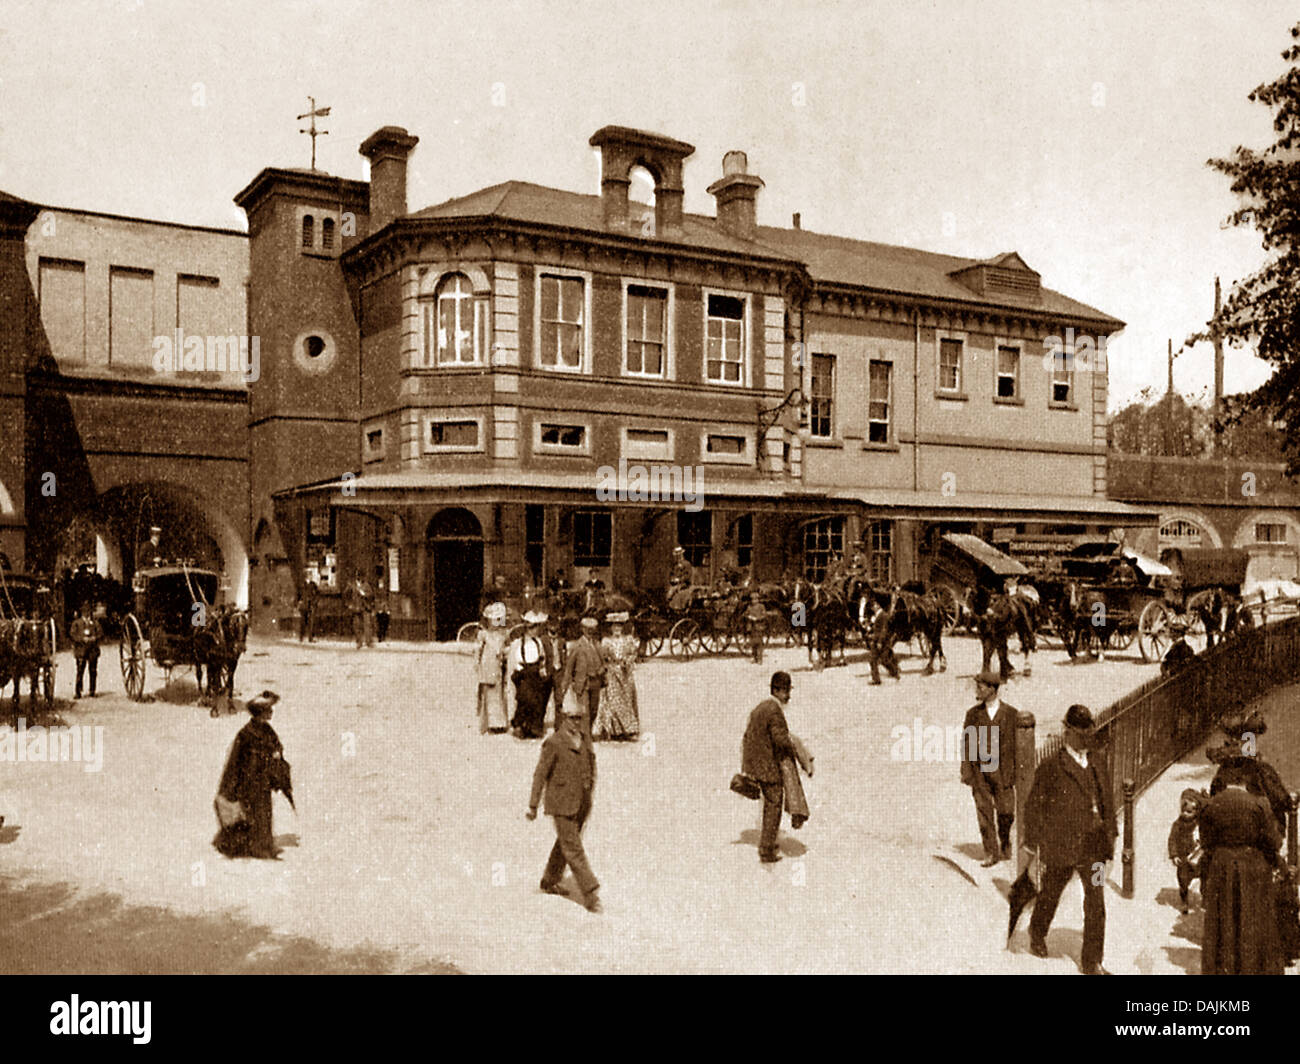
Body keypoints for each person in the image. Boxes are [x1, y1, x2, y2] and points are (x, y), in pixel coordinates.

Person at [1024, 704, 1117, 975]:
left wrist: (1111, 840)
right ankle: (1037, 931)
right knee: (1051, 893)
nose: (1086, 739)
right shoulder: (1052, 766)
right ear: (1067, 732)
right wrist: (1033, 844)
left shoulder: (1098, 761)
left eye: (1089, 733)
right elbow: (1033, 807)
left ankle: (1092, 962)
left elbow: (1107, 802)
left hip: (1095, 848)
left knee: (1096, 902)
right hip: (1062, 847)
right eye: (1079, 734)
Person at [1199, 757, 1285, 974]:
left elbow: (1206, 841)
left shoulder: (1210, 805)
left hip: (1221, 865)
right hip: (1252, 866)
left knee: (1223, 920)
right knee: (1252, 918)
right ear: (1245, 781)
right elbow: (1274, 841)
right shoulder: (1259, 804)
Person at [527, 693, 601, 913]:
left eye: (580, 717)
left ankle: (549, 879)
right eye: (573, 717)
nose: (577, 722)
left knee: (566, 843)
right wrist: (532, 805)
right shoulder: (554, 742)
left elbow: (591, 764)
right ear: (563, 717)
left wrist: (589, 790)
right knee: (574, 848)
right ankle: (590, 893)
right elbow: (540, 774)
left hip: (581, 802)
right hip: (561, 803)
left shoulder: (584, 738)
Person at [213, 691, 292, 860]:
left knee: (264, 813)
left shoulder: (267, 730)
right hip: (248, 783)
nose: (271, 712)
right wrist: (231, 788)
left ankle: (263, 845)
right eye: (268, 709)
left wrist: (277, 756)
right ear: (260, 712)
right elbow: (234, 762)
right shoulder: (246, 734)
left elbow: (276, 747)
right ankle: (255, 847)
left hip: (263, 781)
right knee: (253, 814)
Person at [960, 670, 1018, 867]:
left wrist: (1015, 774)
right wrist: (967, 771)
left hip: (1003, 774)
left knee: (1006, 812)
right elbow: (966, 743)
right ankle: (991, 852)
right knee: (984, 813)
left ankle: (1005, 840)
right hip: (980, 773)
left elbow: (1018, 747)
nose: (977, 690)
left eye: (981, 687)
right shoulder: (973, 715)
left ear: (992, 689)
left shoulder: (1011, 714)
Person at [741, 671, 798, 863]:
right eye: (786, 691)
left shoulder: (761, 707)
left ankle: (768, 842)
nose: (788, 695)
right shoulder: (774, 710)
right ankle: (767, 849)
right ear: (777, 690)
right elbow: (779, 739)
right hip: (766, 765)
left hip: (755, 762)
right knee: (774, 804)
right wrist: (796, 748)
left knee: (768, 803)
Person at [509, 610, 558, 740]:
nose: (534, 631)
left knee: (536, 701)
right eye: (531, 628)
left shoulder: (538, 642)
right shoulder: (520, 643)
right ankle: (520, 726)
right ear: (527, 629)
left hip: (535, 673)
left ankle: (532, 728)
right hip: (524, 673)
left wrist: (541, 670)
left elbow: (542, 657)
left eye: (536, 628)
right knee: (524, 700)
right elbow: (516, 659)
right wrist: (521, 671)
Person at [594, 611, 639, 741]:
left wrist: (627, 662)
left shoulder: (628, 640)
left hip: (625, 674)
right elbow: (602, 658)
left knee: (626, 701)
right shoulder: (606, 642)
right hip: (612, 673)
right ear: (611, 628)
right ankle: (615, 730)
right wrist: (607, 665)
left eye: (619, 626)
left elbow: (633, 654)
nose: (617, 629)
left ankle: (629, 729)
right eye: (614, 626)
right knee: (613, 701)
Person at [556, 615, 605, 734]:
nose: (589, 632)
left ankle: (587, 729)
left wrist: (602, 670)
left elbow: (604, 662)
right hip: (582, 682)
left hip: (596, 681)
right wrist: (565, 685)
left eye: (592, 629)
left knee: (594, 709)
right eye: (587, 629)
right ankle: (585, 733)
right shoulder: (577, 646)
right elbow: (569, 667)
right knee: (585, 710)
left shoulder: (597, 644)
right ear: (582, 630)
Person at [1169, 788, 1206, 913]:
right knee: (1183, 879)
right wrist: (1174, 855)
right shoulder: (1178, 825)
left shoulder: (1199, 823)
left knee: (1205, 877)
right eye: (1183, 811)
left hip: (1198, 856)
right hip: (1184, 857)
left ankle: (1205, 898)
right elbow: (1172, 839)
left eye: (1189, 812)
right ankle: (1184, 900)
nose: (1185, 814)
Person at [475, 602, 510, 733]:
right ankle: (487, 724)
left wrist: (506, 654)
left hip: (499, 666)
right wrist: (477, 664)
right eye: (494, 619)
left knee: (499, 694)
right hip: (487, 666)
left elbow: (506, 648)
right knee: (487, 694)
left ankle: (499, 723)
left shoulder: (503, 634)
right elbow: (477, 650)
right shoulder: (483, 634)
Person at [69, 600, 102, 699]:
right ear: (82, 613)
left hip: (92, 649)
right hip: (81, 650)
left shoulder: (94, 623)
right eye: (85, 612)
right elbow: (72, 634)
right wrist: (82, 639)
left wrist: (94, 638)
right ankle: (78, 691)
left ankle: (92, 690)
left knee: (93, 670)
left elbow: (100, 633)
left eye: (88, 612)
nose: (87, 614)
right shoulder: (77, 623)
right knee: (80, 670)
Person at [743, 592, 767, 665]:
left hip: (759, 626)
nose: (753, 601)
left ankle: (760, 659)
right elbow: (745, 614)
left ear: (758, 600)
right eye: (752, 599)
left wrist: (757, 618)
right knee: (753, 643)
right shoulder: (749, 607)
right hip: (751, 627)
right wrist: (748, 617)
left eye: (755, 599)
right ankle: (754, 657)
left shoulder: (761, 606)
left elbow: (764, 615)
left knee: (759, 644)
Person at [298, 575, 319, 643]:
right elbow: (298, 594)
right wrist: (299, 602)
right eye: (308, 576)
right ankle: (301, 637)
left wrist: (314, 602)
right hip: (304, 606)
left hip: (310, 605)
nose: (309, 577)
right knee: (303, 622)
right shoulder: (302, 585)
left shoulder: (313, 584)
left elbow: (317, 594)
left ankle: (310, 637)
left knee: (311, 622)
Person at [374, 568, 391, 643]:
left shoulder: (384, 583)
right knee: (381, 622)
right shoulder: (379, 584)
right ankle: (381, 636)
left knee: (382, 622)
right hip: (382, 606)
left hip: (382, 606)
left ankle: (381, 636)